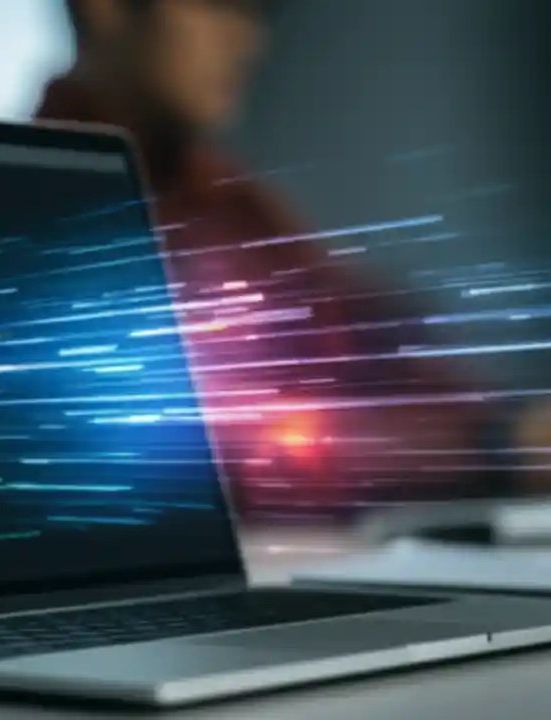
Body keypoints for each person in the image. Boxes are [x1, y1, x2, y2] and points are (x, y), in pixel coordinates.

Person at [36, 0, 495, 515]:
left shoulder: (232, 202)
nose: (250, 42)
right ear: (108, 10)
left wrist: (508, 429)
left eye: (256, 14)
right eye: (220, 8)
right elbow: (194, 458)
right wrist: (485, 445)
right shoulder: (35, 209)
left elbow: (366, 334)